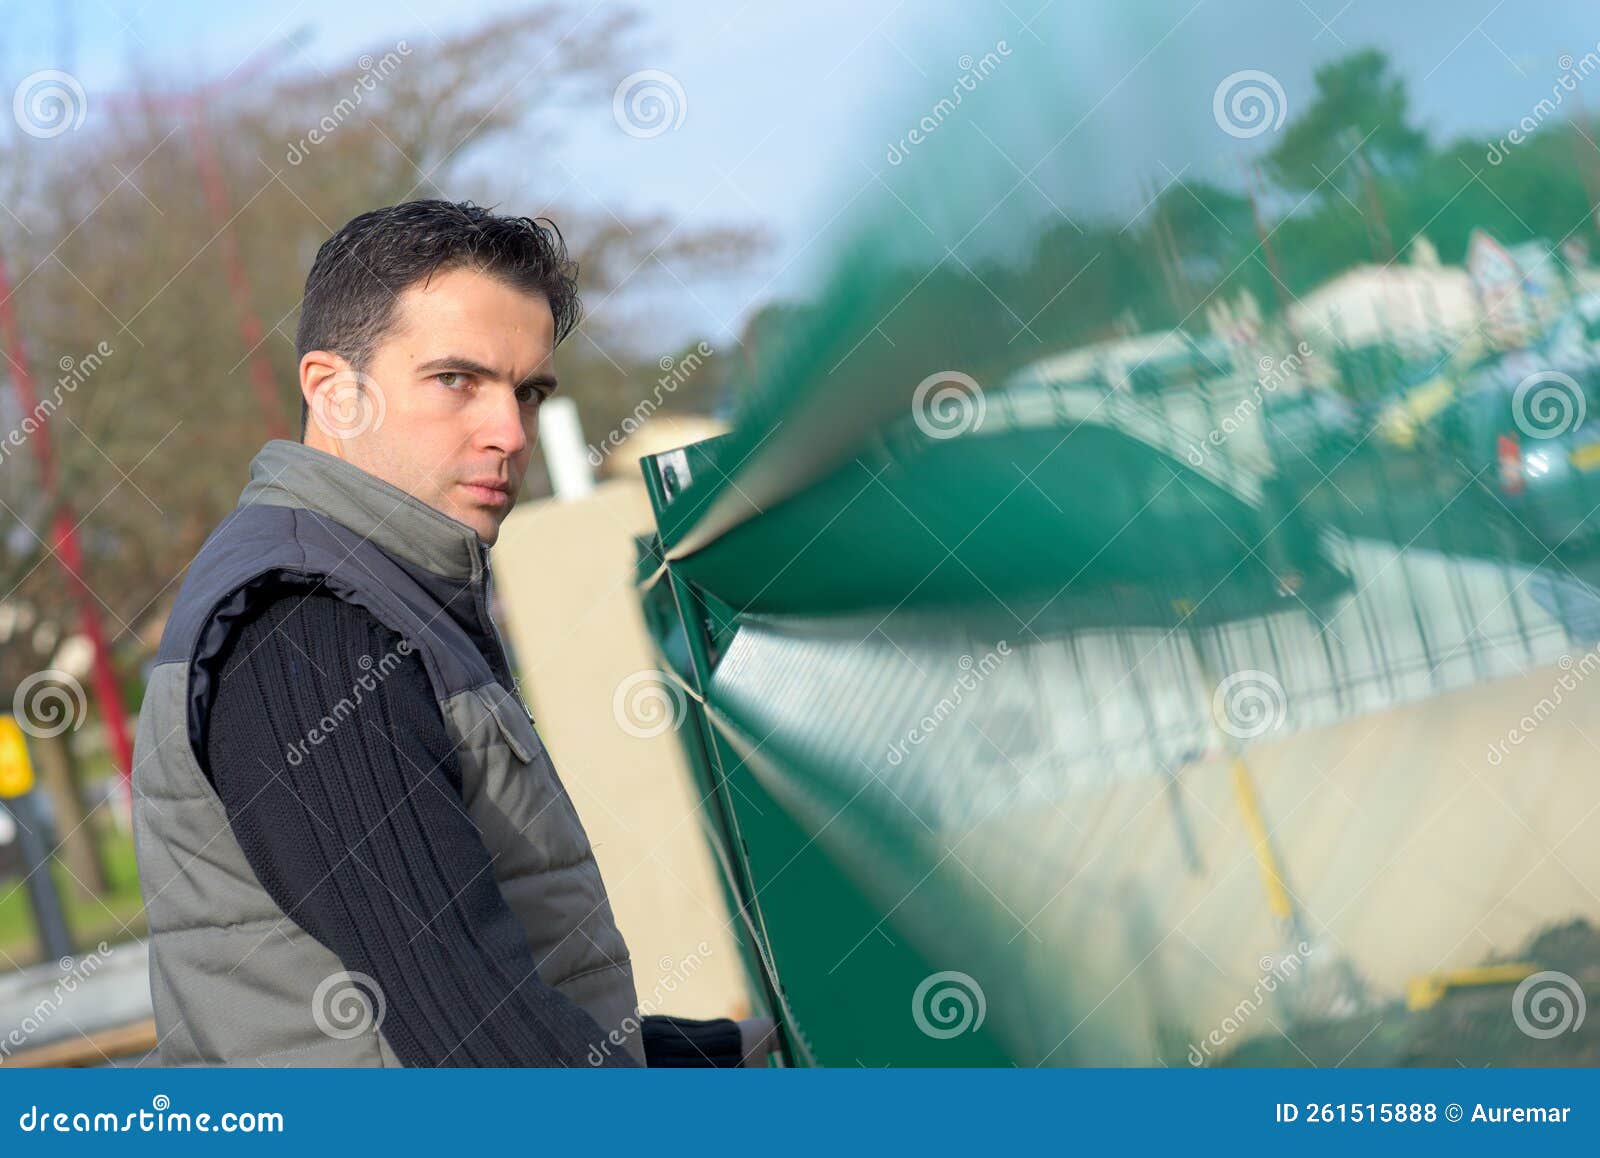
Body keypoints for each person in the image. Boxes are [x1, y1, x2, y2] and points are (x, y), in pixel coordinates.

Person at [130, 199, 774, 1067]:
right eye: (456, 381)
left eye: (529, 392)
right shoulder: (309, 626)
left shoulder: (392, 596)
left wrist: (727, 1056)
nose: (509, 433)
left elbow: (501, 1006)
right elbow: (482, 1047)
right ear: (333, 391)